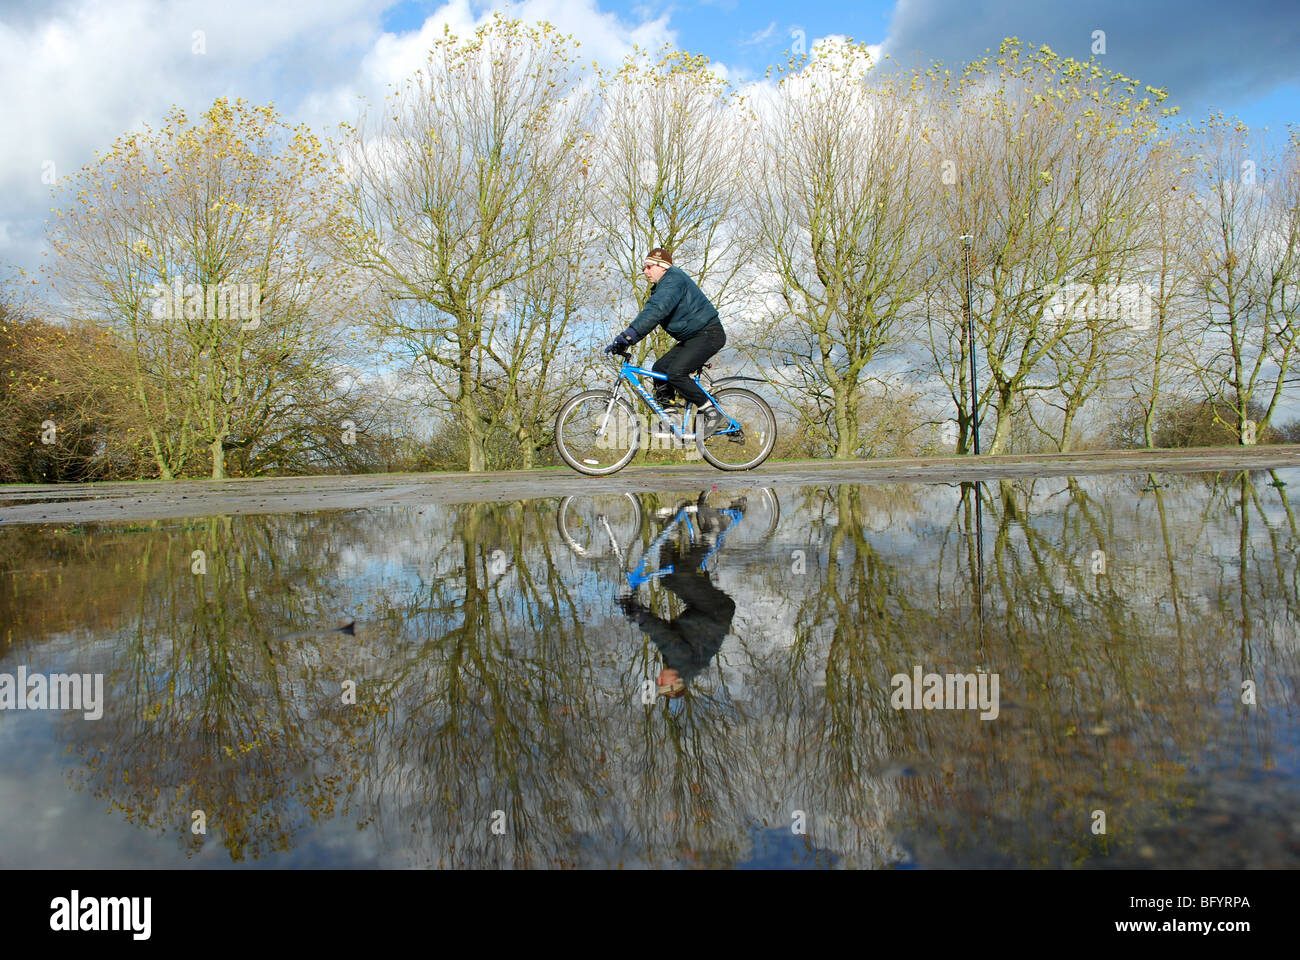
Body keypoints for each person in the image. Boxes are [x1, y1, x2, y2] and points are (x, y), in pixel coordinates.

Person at [604, 248, 728, 437]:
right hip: (693, 337)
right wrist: (628, 338)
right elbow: (652, 313)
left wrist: (628, 337)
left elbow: (656, 311)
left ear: (663, 267)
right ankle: (671, 418)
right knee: (660, 369)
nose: (645, 271)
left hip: (708, 334)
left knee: (676, 372)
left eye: (649, 266)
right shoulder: (663, 286)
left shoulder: (672, 280)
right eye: (644, 267)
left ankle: (711, 412)